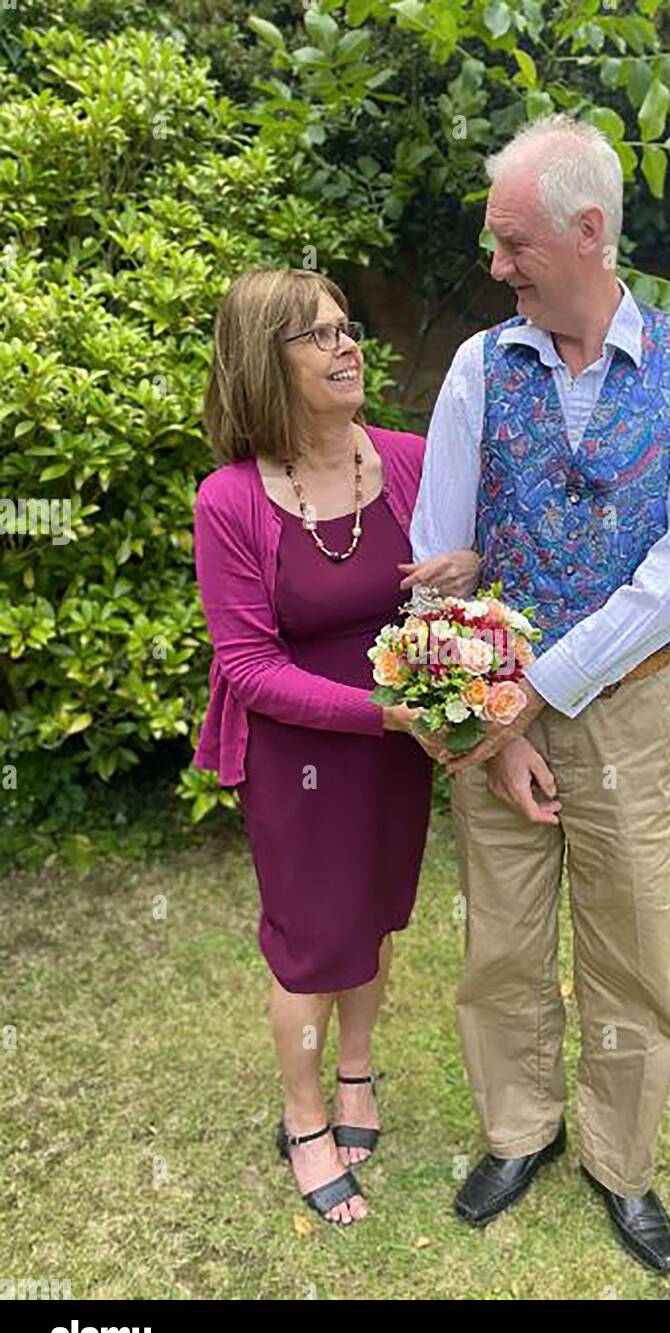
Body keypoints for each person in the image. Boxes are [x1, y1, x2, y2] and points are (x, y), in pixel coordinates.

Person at [410, 116, 670, 1273]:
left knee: (632, 940)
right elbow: (437, 545)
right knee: (499, 937)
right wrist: (493, 727)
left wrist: (535, 694)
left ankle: (621, 1160)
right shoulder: (475, 367)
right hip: (491, 709)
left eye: (511, 243)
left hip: (631, 708)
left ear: (586, 231)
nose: (495, 266)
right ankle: (515, 1131)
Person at [193, 269, 479, 1227]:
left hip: (397, 746)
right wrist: (386, 715)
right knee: (312, 945)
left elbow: (458, 581)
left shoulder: (405, 458)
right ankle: (305, 1117)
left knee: (377, 918)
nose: (345, 347)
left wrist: (467, 567)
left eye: (346, 328)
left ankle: (357, 1076)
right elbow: (246, 667)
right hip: (300, 758)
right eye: (316, 336)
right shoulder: (229, 501)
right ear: (261, 363)